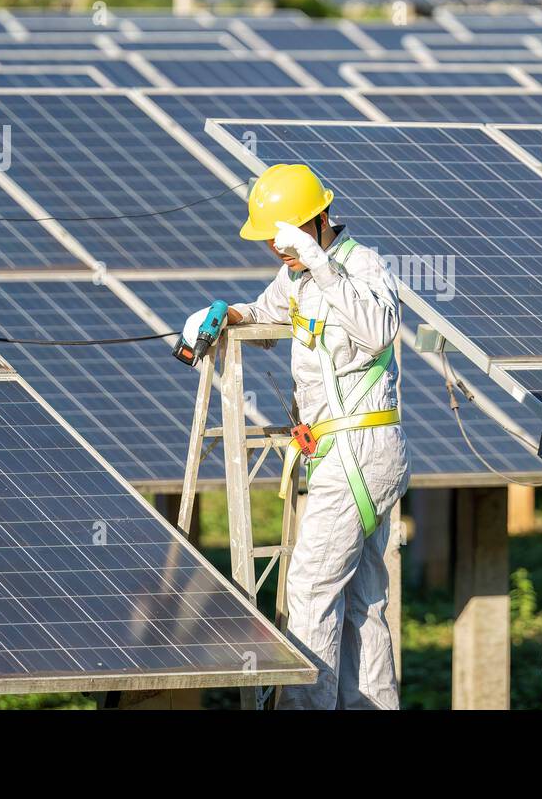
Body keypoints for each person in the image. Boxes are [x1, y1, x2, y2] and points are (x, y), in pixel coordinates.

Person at [185, 163, 410, 709]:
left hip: (361, 447)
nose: (277, 250)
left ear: (316, 220)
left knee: (311, 593)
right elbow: (272, 312)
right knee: (364, 599)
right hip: (340, 451)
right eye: (270, 241)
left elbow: (380, 329)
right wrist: (229, 314)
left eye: (283, 237)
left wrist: (321, 267)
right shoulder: (294, 274)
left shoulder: (361, 265)